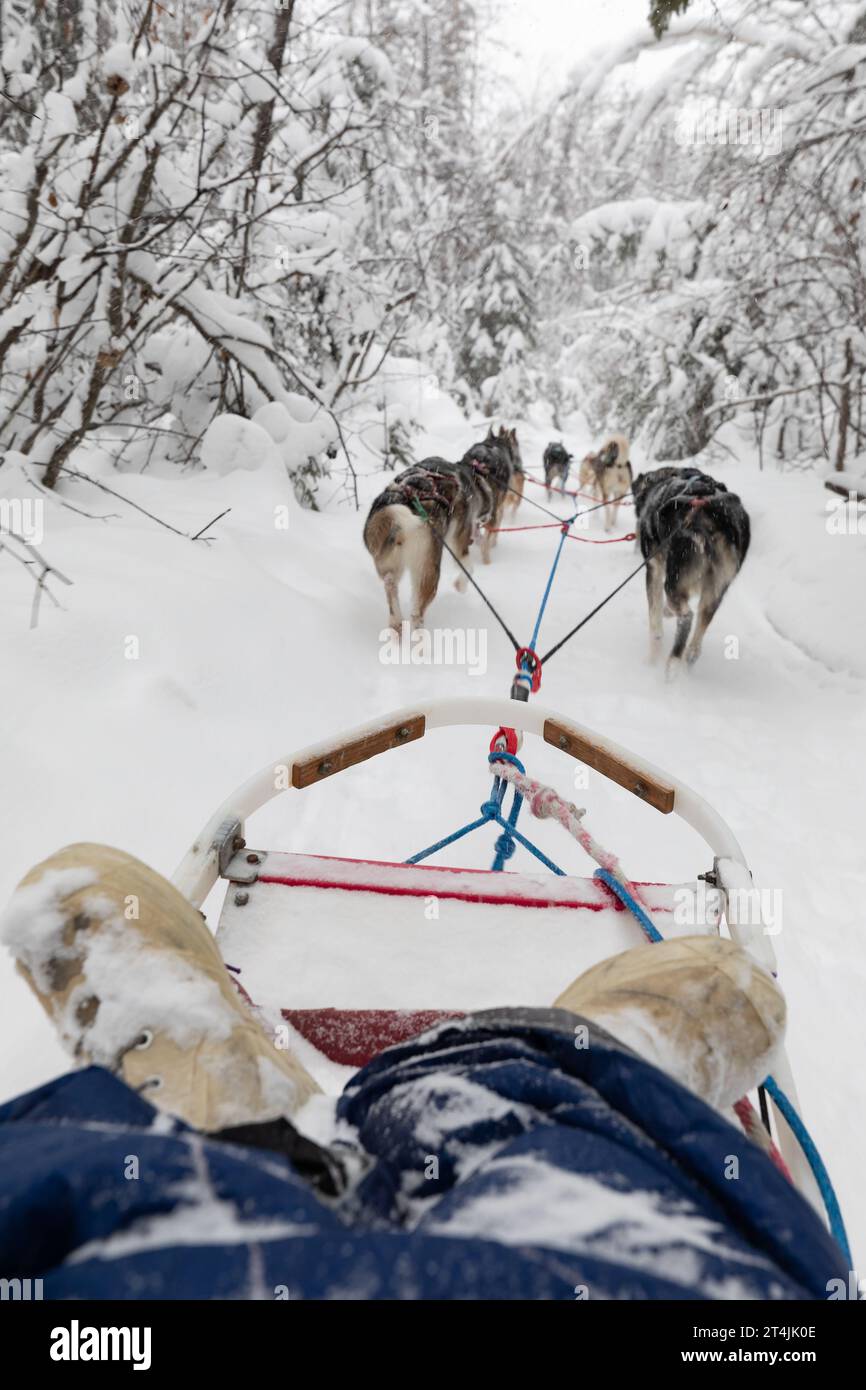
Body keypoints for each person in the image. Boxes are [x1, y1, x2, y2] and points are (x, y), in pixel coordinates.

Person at [0, 844, 847, 1300]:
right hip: (605, 1233)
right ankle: (580, 1063)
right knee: (562, 1079)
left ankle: (229, 1103)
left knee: (167, 1146)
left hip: (132, 1235)